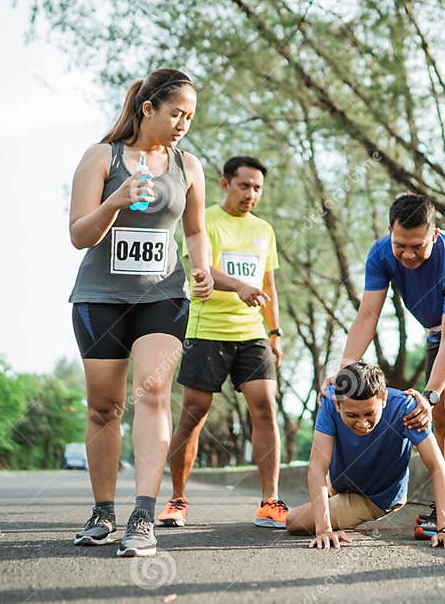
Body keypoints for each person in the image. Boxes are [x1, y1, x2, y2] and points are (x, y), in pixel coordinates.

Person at [68, 68, 213, 557]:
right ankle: (103, 510)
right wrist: (116, 198)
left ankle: (143, 514)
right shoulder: (100, 157)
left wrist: (204, 268)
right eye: (176, 113)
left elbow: (194, 231)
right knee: (104, 408)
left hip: (163, 297)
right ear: (148, 108)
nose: (183, 124)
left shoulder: (188, 166)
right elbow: (79, 235)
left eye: (190, 117)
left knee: (152, 393)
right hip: (100, 299)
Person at [321, 193, 445, 538]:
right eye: (400, 244)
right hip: (438, 325)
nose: (407, 254)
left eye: (417, 246)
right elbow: (368, 314)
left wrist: (430, 394)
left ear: (434, 235)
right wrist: (346, 370)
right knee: (432, 416)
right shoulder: (379, 255)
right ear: (390, 232)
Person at [157, 156, 289, 529]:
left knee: (265, 407)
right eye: (244, 185)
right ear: (225, 184)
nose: (251, 194)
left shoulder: (264, 229)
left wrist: (275, 332)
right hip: (207, 329)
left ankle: (270, 502)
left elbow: (268, 285)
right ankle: (177, 500)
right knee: (195, 413)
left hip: (252, 334)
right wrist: (238, 286)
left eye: (257, 188)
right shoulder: (205, 222)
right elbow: (203, 269)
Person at [290, 362, 445, 550]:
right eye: (352, 415)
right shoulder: (329, 401)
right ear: (338, 404)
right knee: (315, 513)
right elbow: (317, 467)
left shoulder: (406, 407)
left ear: (383, 398)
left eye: (369, 413)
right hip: (340, 485)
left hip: (374, 498)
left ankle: (332, 503)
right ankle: (330, 496)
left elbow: (437, 466)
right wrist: (325, 530)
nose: (362, 423)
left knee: (293, 520)